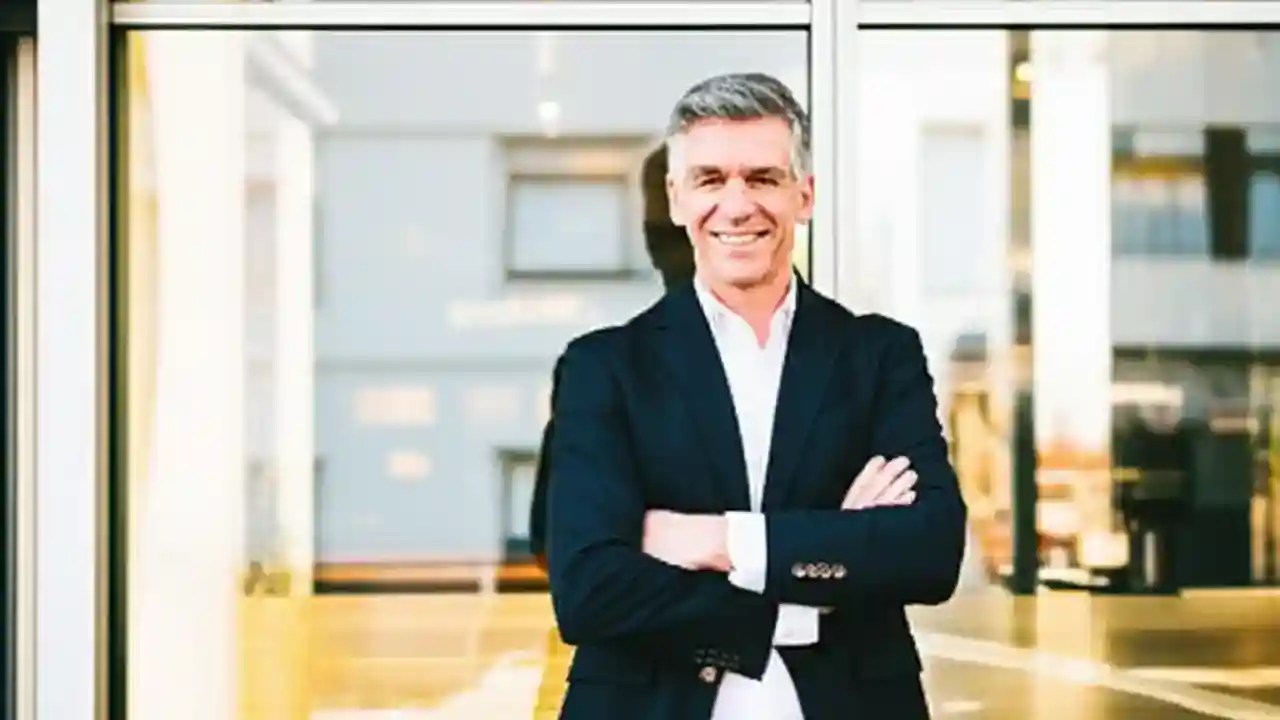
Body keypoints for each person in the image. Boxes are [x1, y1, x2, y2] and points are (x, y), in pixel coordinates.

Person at [543, 72, 967, 719]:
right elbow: (589, 589)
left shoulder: (879, 356)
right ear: (677, 198)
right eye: (711, 180)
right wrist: (821, 572)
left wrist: (723, 541)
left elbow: (928, 551)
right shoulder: (605, 367)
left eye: (763, 178)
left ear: (805, 194)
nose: (737, 206)